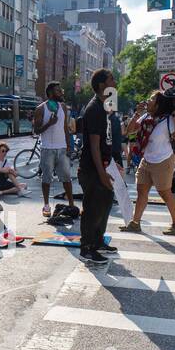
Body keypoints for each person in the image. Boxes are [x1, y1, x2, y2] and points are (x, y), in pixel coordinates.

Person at [121, 89, 175, 236]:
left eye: (151, 99)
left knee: (164, 193)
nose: (147, 101)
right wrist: (136, 114)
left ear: (158, 105)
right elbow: (129, 131)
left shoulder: (167, 120)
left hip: (163, 161)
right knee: (141, 191)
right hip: (147, 160)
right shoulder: (145, 117)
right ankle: (135, 223)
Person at [78, 69, 117, 268]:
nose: (115, 81)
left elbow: (107, 138)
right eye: (111, 79)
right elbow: (93, 145)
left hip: (103, 165)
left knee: (106, 204)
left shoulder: (105, 106)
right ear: (102, 85)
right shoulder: (94, 109)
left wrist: (112, 162)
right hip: (92, 169)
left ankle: (98, 241)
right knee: (93, 209)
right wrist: (101, 174)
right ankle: (87, 248)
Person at [34, 82, 76, 218]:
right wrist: (49, 123)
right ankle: (46, 205)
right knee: (46, 179)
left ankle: (71, 204)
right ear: (51, 93)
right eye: (58, 91)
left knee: (66, 178)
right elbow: (36, 130)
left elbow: (65, 127)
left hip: (62, 148)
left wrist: (69, 144)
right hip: (47, 149)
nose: (61, 92)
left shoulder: (63, 107)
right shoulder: (41, 109)